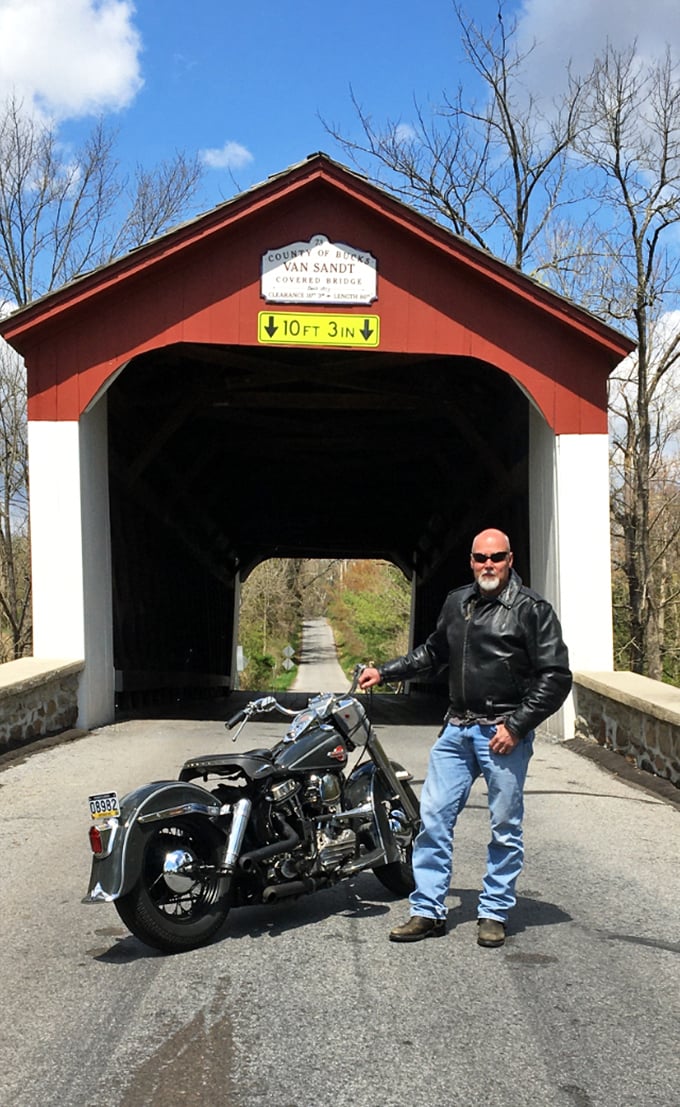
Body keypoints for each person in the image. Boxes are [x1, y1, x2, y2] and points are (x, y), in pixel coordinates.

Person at [358, 528, 572, 948]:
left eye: (496, 557)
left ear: (510, 560)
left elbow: (556, 676)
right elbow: (434, 653)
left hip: (502, 732)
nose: (488, 565)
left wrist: (517, 726)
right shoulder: (458, 603)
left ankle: (493, 912)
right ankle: (427, 910)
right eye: (480, 558)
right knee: (432, 821)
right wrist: (384, 671)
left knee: (504, 827)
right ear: (471, 561)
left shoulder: (532, 610)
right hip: (456, 729)